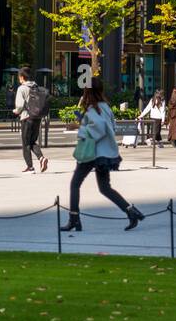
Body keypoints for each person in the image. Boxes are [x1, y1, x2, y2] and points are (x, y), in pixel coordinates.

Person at [59, 83, 143, 233]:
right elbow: (111, 126)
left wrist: (80, 129)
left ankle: (74, 219)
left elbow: (98, 127)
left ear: (87, 92)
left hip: (92, 153)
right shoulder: (105, 107)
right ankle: (130, 211)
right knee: (105, 188)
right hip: (105, 154)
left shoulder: (93, 109)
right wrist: (81, 121)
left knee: (75, 184)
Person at [13, 66, 48, 173]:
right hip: (37, 117)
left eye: (19, 77)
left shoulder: (22, 88)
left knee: (26, 144)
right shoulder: (36, 87)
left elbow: (19, 105)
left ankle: (30, 167)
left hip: (26, 118)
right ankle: (41, 158)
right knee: (32, 141)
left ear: (22, 77)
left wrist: (16, 111)